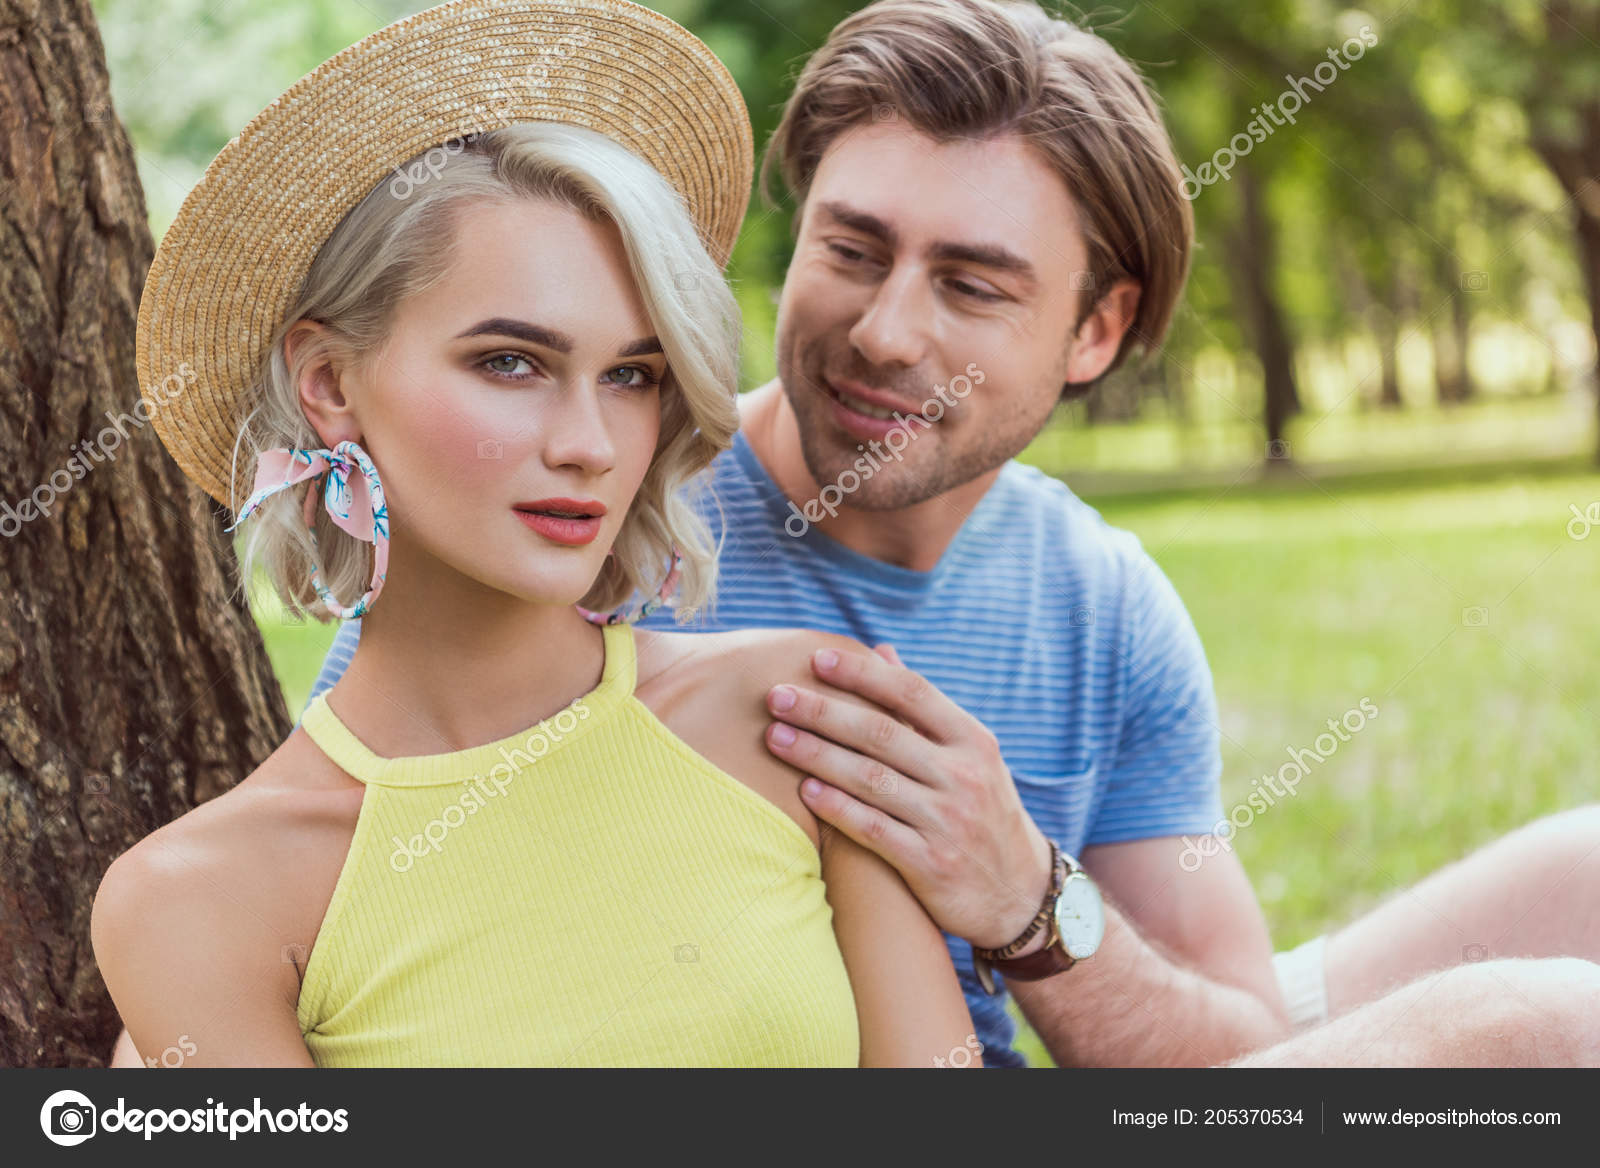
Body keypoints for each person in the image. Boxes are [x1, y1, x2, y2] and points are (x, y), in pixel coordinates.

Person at [296, 0, 1600, 1068]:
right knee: (1531, 1032)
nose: (887, 330)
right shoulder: (582, 526)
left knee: (1582, 873)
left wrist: (1028, 898)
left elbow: (1234, 1048)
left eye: (971, 284)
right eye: (854, 250)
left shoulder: (1102, 600)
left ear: (1096, 329)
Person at [92, 0, 977, 1068]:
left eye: (631, 376)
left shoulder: (800, 721)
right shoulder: (195, 902)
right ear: (327, 381)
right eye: (510, 361)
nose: (589, 443)